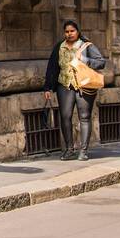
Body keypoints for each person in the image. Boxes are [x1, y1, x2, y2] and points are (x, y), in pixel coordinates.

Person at [43, 20, 107, 161]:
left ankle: (83, 151)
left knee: (84, 117)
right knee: (65, 117)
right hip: (64, 86)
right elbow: (52, 67)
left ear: (78, 31)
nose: (69, 34)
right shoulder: (59, 47)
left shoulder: (87, 46)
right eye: (67, 31)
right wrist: (48, 87)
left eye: (72, 31)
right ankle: (69, 149)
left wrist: (84, 59)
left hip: (84, 86)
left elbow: (101, 62)